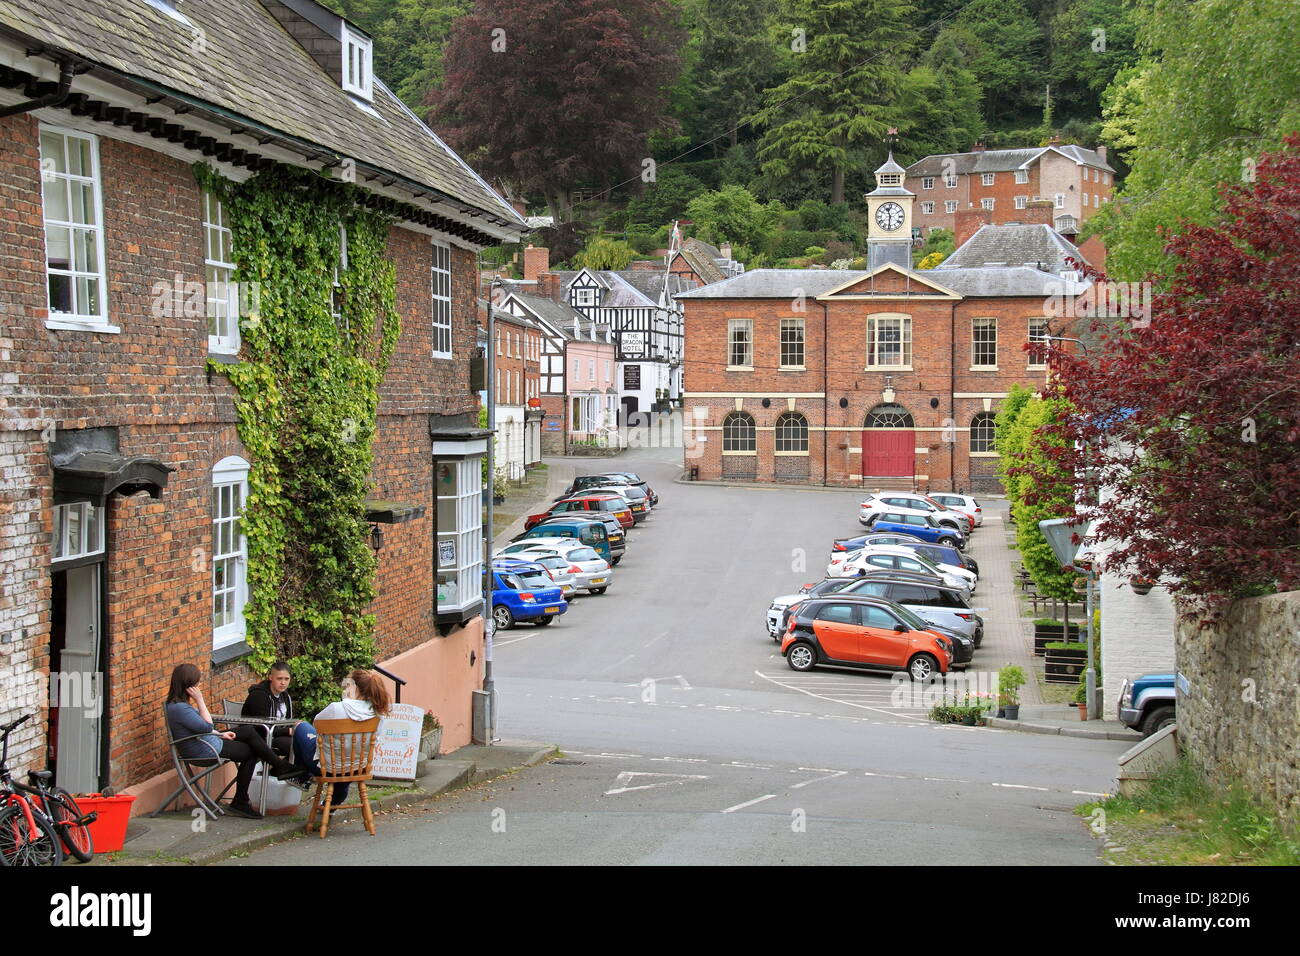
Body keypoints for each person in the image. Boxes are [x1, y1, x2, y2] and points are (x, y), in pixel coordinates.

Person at [165, 663, 309, 819]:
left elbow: (201, 728)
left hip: (210, 740)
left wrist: (221, 734)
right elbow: (207, 725)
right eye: (197, 683)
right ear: (188, 685)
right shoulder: (180, 708)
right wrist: (200, 701)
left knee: (248, 732)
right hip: (205, 749)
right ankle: (245, 797)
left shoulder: (179, 706)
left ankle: (274, 771)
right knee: (251, 750)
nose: (199, 686)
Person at [292, 669, 391, 807]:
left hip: (327, 767)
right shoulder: (378, 714)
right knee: (346, 766)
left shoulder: (336, 708)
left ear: (354, 687)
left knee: (301, 726)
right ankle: (331, 806)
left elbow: (317, 724)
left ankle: (302, 776)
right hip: (357, 766)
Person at [242, 661, 300, 759]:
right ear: (270, 677)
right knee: (297, 746)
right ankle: (282, 770)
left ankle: (284, 770)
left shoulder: (285, 696)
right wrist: (288, 731)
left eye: (286, 679)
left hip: (278, 735)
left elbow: (289, 722)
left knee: (307, 741)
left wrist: (297, 727)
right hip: (260, 737)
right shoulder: (259, 695)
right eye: (279, 679)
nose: (283, 683)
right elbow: (262, 727)